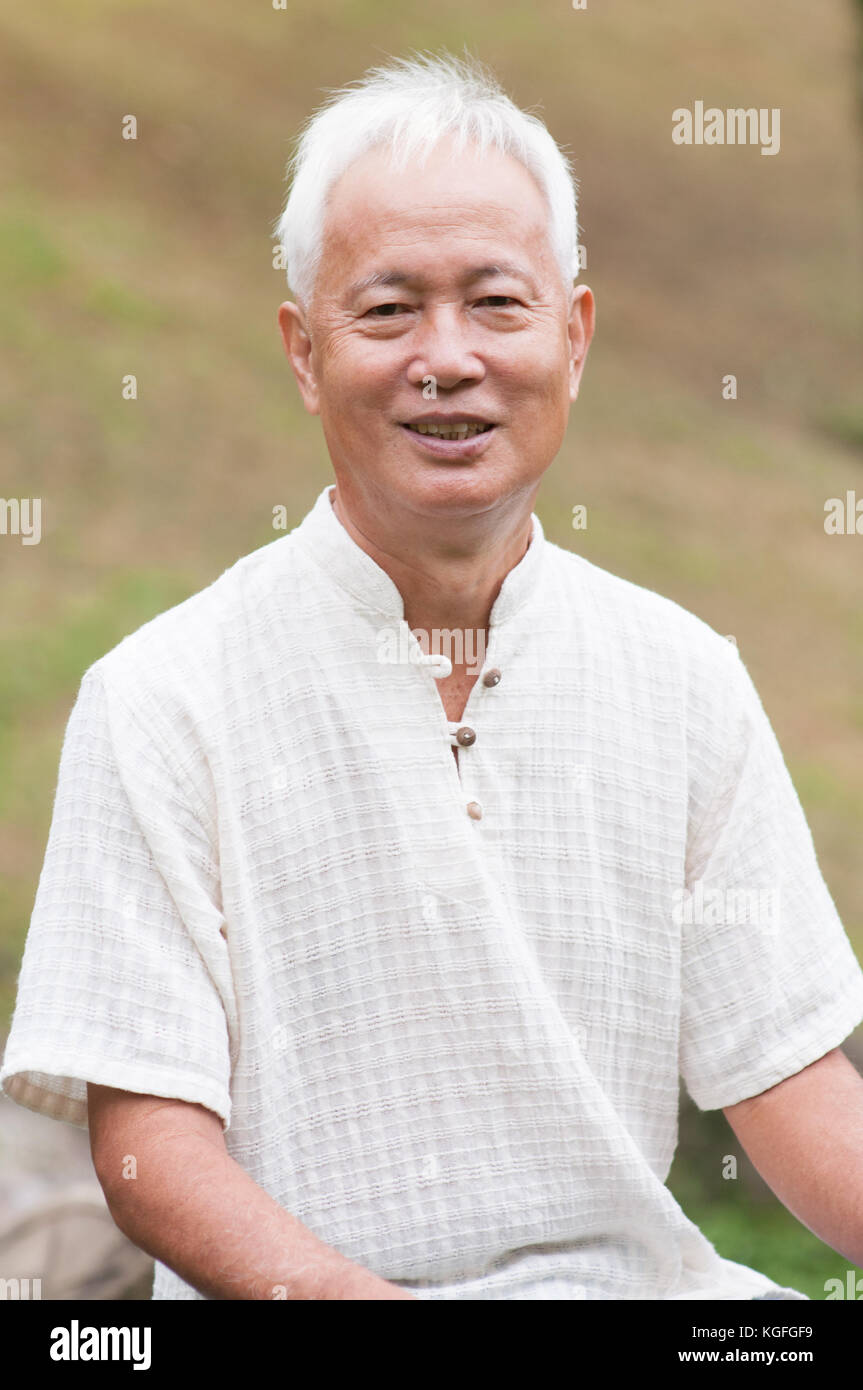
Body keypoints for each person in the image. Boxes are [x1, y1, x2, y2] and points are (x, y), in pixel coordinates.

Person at [3, 51, 863, 1302]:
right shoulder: (162, 698)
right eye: (389, 308)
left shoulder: (680, 678)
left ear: (571, 339)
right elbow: (145, 1144)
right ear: (304, 352)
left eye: (495, 304)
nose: (445, 357)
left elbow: (783, 1075)